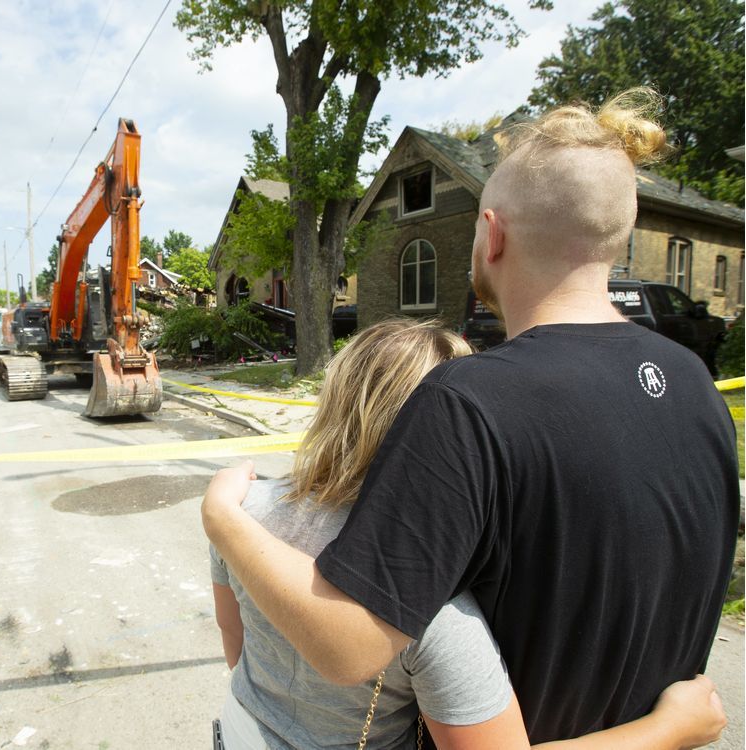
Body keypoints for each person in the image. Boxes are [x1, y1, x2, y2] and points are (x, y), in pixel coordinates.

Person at [201, 88, 740, 747]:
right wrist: (673, 729)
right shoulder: (697, 387)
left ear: (491, 233)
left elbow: (350, 648)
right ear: (616, 236)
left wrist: (224, 517)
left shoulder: (468, 403)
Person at [210, 319, 726, 750]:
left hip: (240, 729)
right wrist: (669, 728)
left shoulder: (243, 509)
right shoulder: (423, 596)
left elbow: (236, 645)